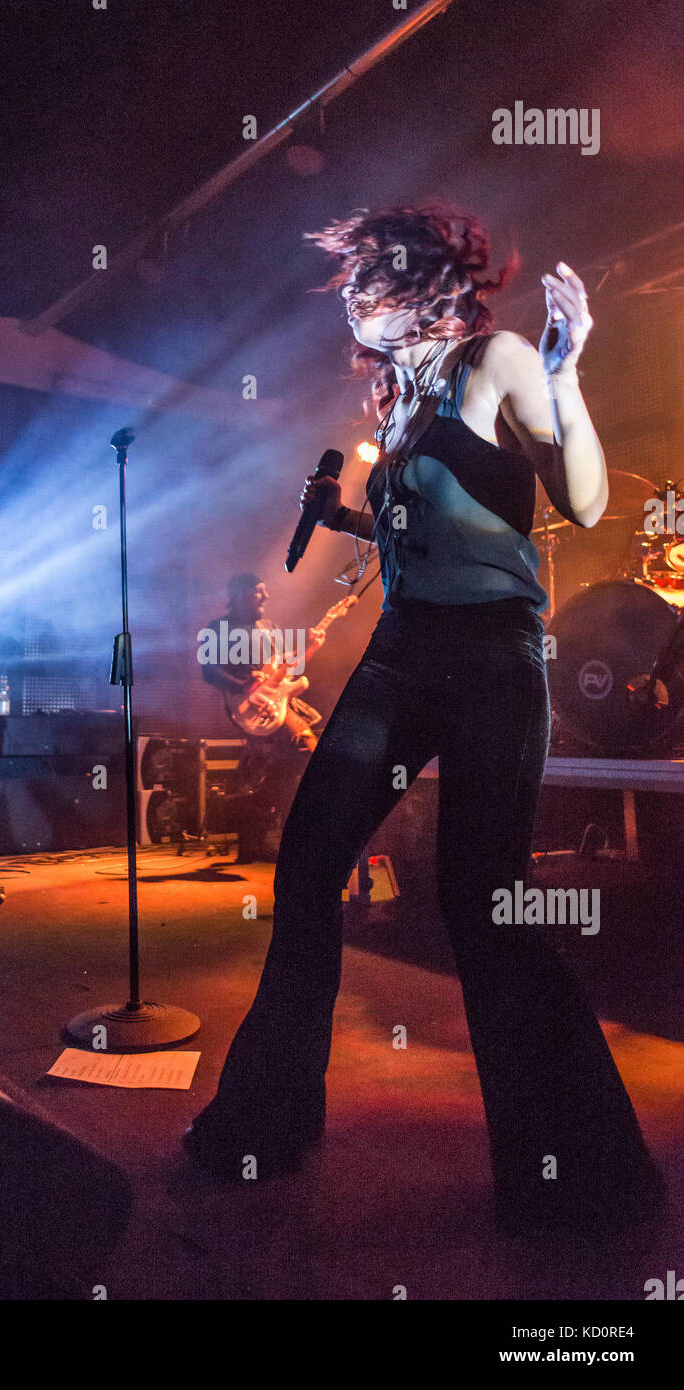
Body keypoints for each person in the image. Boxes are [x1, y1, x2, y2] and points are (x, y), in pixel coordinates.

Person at [184, 203, 666, 1237]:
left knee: (483, 901)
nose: (351, 301)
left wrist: (569, 369)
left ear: (423, 284)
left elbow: (580, 502)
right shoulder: (401, 404)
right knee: (310, 863)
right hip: (403, 654)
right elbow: (426, 527)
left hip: (492, 654)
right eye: (349, 284)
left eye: (369, 281)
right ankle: (266, 1123)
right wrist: (349, 516)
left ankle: (575, 1172)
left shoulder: (494, 360)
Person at [200, 573, 318, 860]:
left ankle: (254, 823)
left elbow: (284, 670)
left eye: (264, 592)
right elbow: (209, 671)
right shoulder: (218, 628)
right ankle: (259, 824)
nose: (265, 597)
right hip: (245, 705)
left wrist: (312, 646)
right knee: (305, 745)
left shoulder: (270, 627)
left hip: (274, 702)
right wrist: (243, 685)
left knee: (286, 760)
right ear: (239, 595)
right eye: (258, 592)